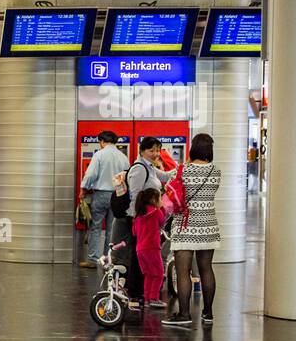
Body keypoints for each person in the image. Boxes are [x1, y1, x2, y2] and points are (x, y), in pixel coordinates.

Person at [163, 132, 220, 328]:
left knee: (183, 271)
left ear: (192, 149)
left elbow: (169, 195)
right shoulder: (216, 171)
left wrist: (186, 163)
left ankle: (184, 313)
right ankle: (208, 313)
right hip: (208, 225)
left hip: (185, 226)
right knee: (206, 269)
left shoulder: (181, 171)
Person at [116, 136, 174, 313]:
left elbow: (164, 176)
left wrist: (180, 168)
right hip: (140, 220)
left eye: (158, 150)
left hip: (144, 219)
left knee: (141, 256)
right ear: (142, 151)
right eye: (152, 150)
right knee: (138, 256)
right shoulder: (140, 169)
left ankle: (142, 293)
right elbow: (135, 196)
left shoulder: (149, 166)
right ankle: (135, 292)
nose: (156, 154)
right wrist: (139, 220)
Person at [78, 130, 130, 267]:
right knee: (112, 229)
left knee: (96, 227)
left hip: (101, 194)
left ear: (102, 141)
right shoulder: (123, 157)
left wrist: (83, 189)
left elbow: (91, 174)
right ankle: (108, 260)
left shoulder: (99, 155)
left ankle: (93, 259)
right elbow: (127, 176)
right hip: (118, 195)